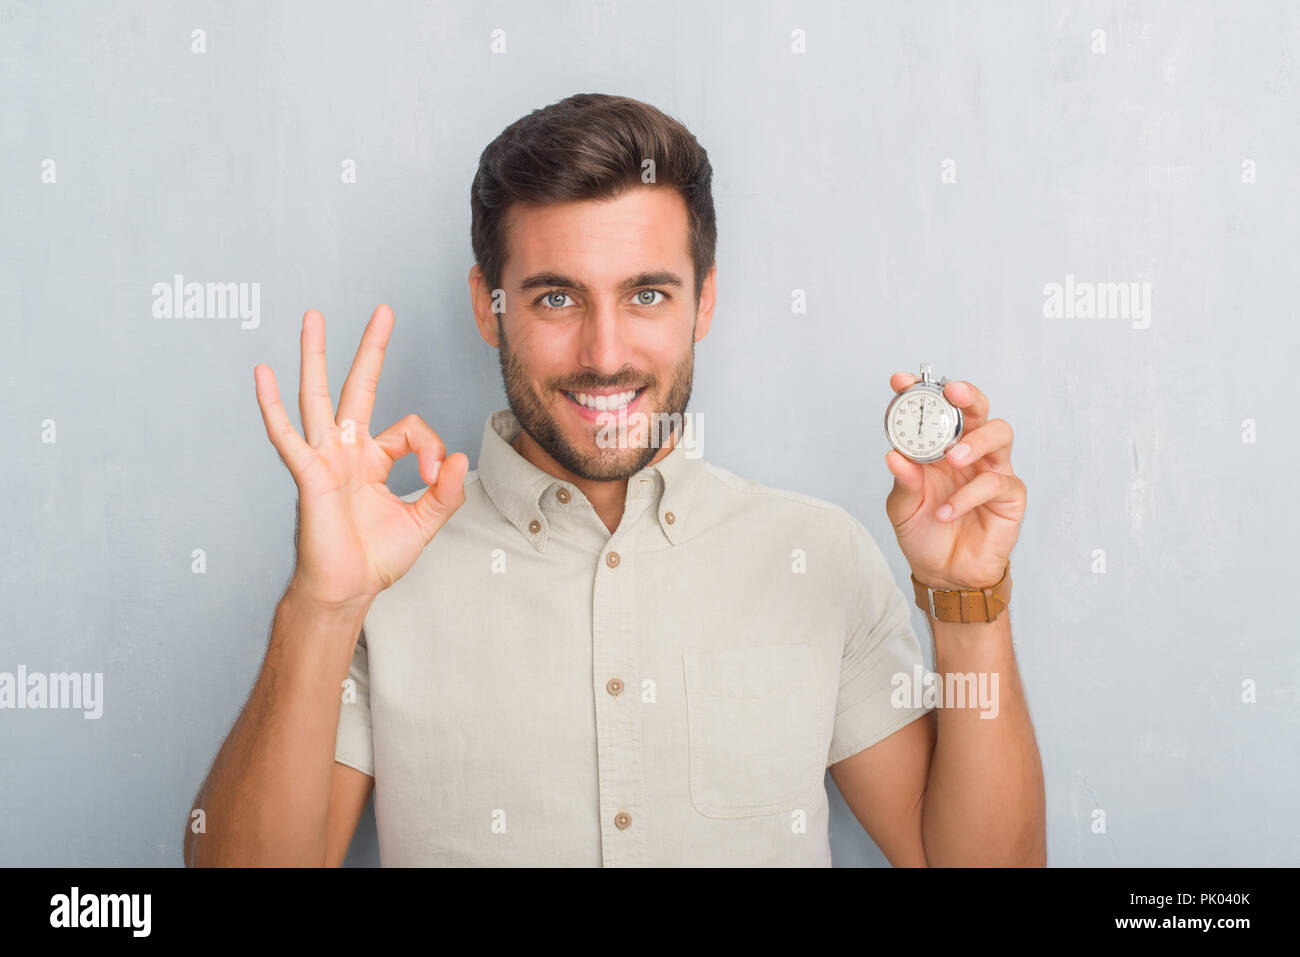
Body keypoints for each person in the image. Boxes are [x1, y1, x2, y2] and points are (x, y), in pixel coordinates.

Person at [184, 93, 1044, 867]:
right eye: (557, 297)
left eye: (647, 295)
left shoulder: (816, 554)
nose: (604, 354)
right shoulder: (383, 577)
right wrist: (322, 608)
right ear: (490, 305)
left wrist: (969, 605)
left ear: (704, 301)